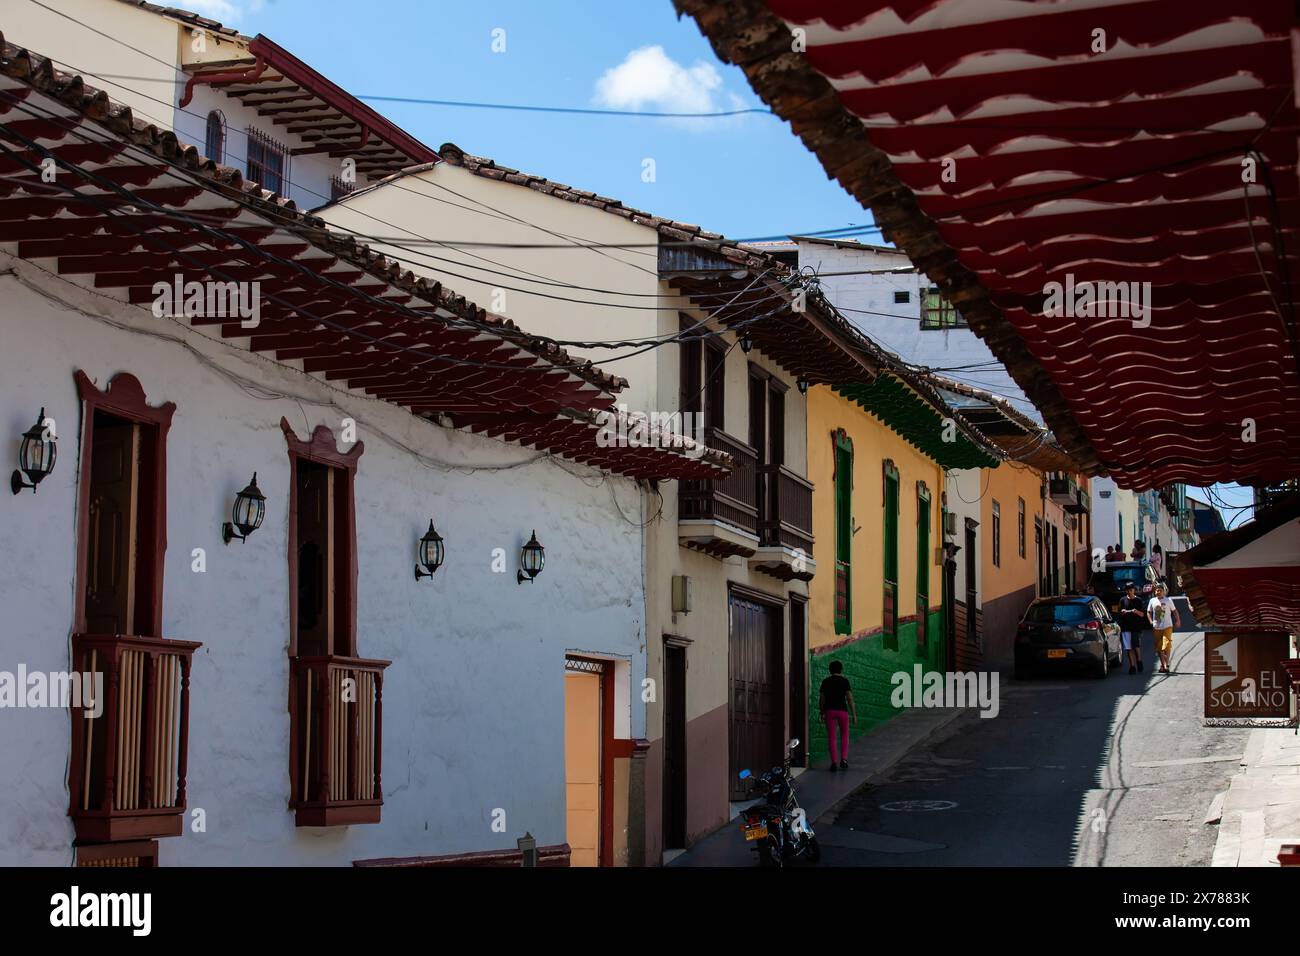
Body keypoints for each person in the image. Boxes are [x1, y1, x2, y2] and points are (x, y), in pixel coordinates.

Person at [818, 660, 856, 772]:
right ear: (841, 669)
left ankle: (834, 762)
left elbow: (822, 699)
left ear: (830, 670)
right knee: (844, 736)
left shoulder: (825, 682)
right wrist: (854, 714)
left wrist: (822, 712)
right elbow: (849, 698)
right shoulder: (845, 681)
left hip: (829, 711)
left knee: (832, 737)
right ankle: (843, 760)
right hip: (842, 712)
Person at [1147, 583, 1181, 673]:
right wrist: (1151, 621)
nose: (1158, 592)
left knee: (1165, 645)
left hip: (1167, 626)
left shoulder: (1168, 600)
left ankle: (1166, 664)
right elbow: (1148, 612)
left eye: (1160, 590)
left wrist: (1178, 620)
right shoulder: (1152, 601)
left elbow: (1174, 611)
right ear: (1155, 592)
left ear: (1164, 592)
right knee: (1159, 647)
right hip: (1156, 627)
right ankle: (1163, 665)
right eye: (1157, 590)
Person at [1117, 581, 1148, 674]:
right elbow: (1119, 612)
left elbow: (1142, 614)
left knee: (1136, 646)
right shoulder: (1122, 600)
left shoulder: (1138, 600)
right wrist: (1122, 611)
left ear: (1134, 590)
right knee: (1128, 648)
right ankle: (1132, 666)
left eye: (1131, 590)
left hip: (1136, 627)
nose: (1129, 592)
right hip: (1126, 626)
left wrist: (1136, 612)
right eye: (1128, 590)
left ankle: (1139, 661)